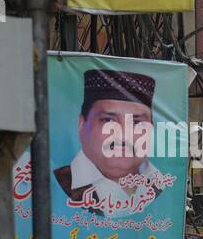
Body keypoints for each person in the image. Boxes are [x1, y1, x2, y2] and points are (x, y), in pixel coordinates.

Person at [55, 68, 164, 219]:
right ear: (82, 124)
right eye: (109, 120)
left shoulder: (162, 186)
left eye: (137, 122)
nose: (123, 135)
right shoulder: (55, 184)